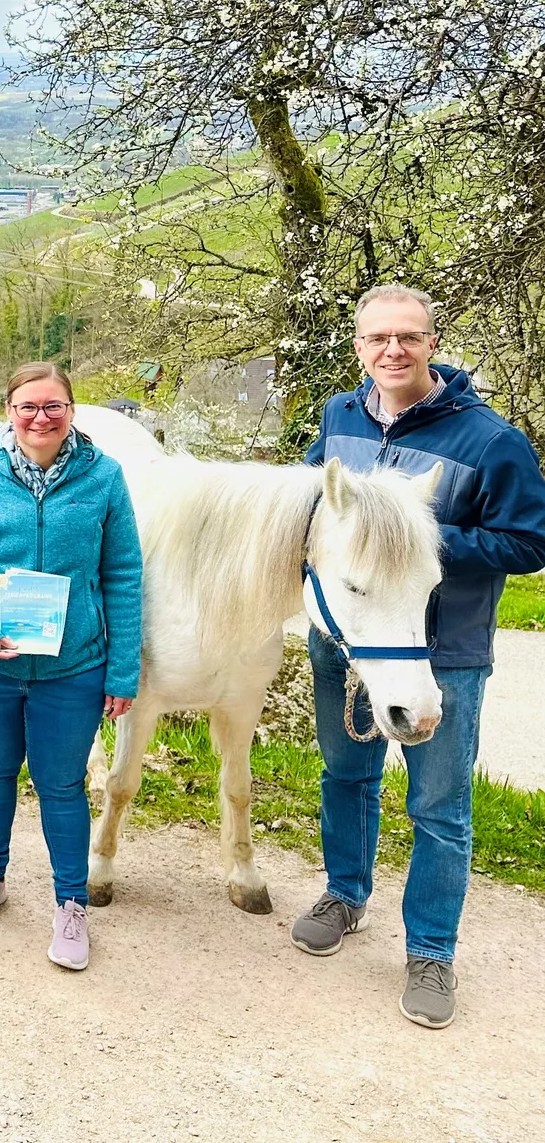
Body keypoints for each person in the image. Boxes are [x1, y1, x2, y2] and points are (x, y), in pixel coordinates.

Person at [293, 284, 545, 1029]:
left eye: (408, 337)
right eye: (377, 339)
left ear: (433, 343)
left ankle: (431, 950)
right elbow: (315, 502)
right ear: (360, 347)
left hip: (445, 649)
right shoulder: (340, 417)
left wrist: (416, 540)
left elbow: (531, 542)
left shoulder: (491, 440)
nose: (392, 351)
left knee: (439, 806)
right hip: (346, 643)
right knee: (346, 775)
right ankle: (346, 894)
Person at [0, 362, 142, 971]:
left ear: (71, 411)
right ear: (9, 411)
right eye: (28, 406)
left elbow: (123, 574)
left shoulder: (103, 477)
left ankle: (71, 903)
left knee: (61, 784)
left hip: (73, 666)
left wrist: (122, 671)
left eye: (53, 406)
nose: (40, 418)